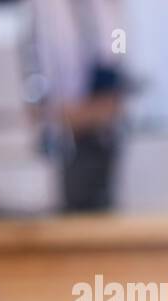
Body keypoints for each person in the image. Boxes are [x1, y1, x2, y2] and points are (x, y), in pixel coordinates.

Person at [25, 0, 129, 211]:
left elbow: (110, 101)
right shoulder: (41, 9)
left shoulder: (105, 14)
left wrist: (62, 115)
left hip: (95, 145)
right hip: (53, 145)